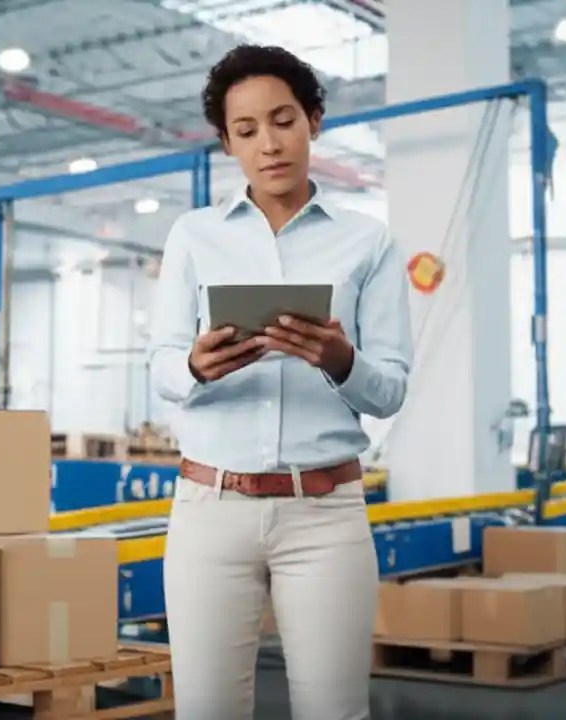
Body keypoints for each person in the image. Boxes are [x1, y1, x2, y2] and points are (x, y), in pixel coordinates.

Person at [147, 44, 414, 720]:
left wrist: (338, 358)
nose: (269, 144)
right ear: (227, 144)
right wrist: (194, 366)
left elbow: (389, 390)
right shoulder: (193, 235)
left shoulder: (368, 242)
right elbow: (159, 364)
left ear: (314, 121)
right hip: (210, 511)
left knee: (335, 712)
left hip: (324, 514)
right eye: (246, 131)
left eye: (283, 119)